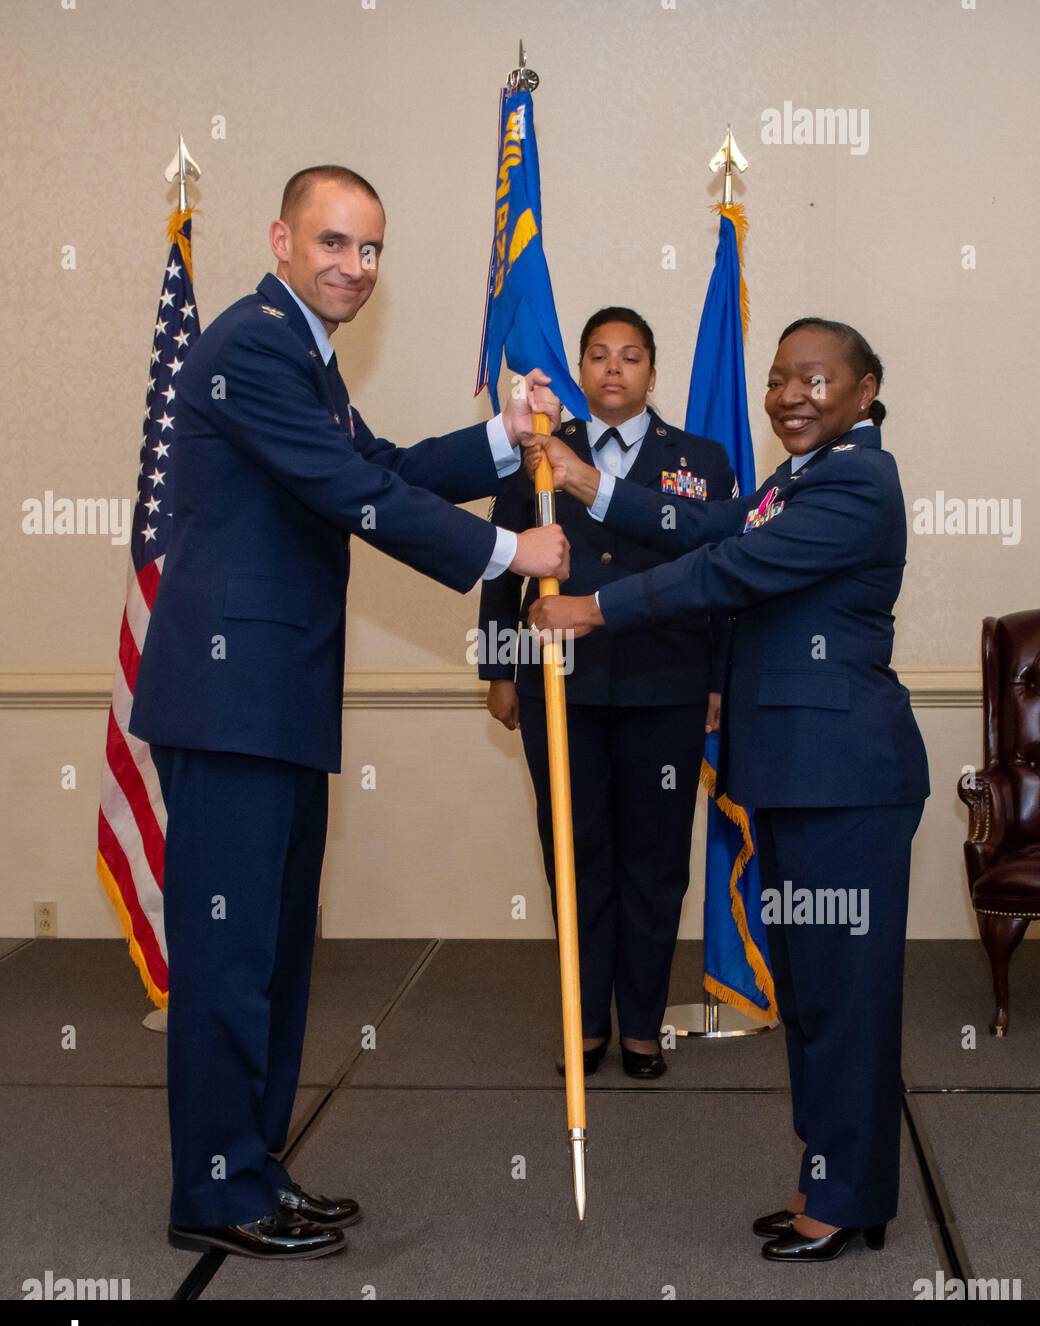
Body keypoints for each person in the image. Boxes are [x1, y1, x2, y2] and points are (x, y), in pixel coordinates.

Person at [129, 164, 568, 1261]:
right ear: (280, 239)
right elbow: (355, 495)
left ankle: (251, 1164)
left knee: (272, 949)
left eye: (369, 250)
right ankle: (214, 1191)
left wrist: (500, 432)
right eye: (332, 243)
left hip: (271, 700)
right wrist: (513, 550)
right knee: (231, 958)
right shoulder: (253, 344)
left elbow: (379, 464)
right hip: (233, 701)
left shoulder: (304, 361)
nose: (353, 267)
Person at [529, 317, 929, 1261]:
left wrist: (596, 605)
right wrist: (589, 483)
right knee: (814, 993)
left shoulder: (860, 480)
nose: (790, 396)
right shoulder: (798, 480)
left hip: (844, 782)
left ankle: (844, 1199)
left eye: (815, 380)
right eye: (778, 379)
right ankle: (833, 1183)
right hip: (798, 777)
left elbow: (730, 565)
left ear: (865, 390)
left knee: (845, 998)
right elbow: (710, 522)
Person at [479, 308, 734, 1078]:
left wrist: (718, 679)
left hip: (667, 684)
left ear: (653, 375)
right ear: (582, 373)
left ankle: (644, 1025)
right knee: (576, 852)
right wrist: (499, 667)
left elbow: (723, 571)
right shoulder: (540, 454)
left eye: (630, 357)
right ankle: (586, 1019)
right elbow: (501, 564)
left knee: (655, 862)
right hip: (563, 687)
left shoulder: (701, 457)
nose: (613, 369)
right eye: (598, 356)